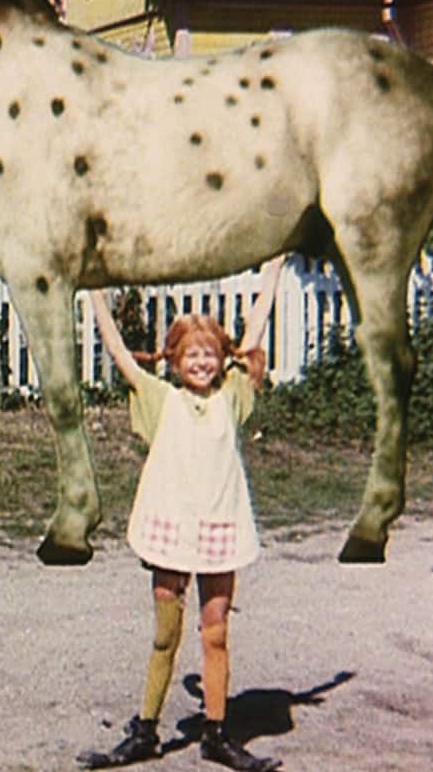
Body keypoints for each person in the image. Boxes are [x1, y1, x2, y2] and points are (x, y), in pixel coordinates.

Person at [79, 258, 287, 772]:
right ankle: (146, 731)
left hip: (219, 529)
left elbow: (253, 332)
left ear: (221, 359)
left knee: (215, 632)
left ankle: (216, 733)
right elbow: (118, 352)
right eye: (192, 354)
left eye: (209, 354)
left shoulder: (232, 396)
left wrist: (274, 270)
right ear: (175, 360)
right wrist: (96, 291)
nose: (202, 363)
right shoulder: (159, 398)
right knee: (165, 635)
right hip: (171, 532)